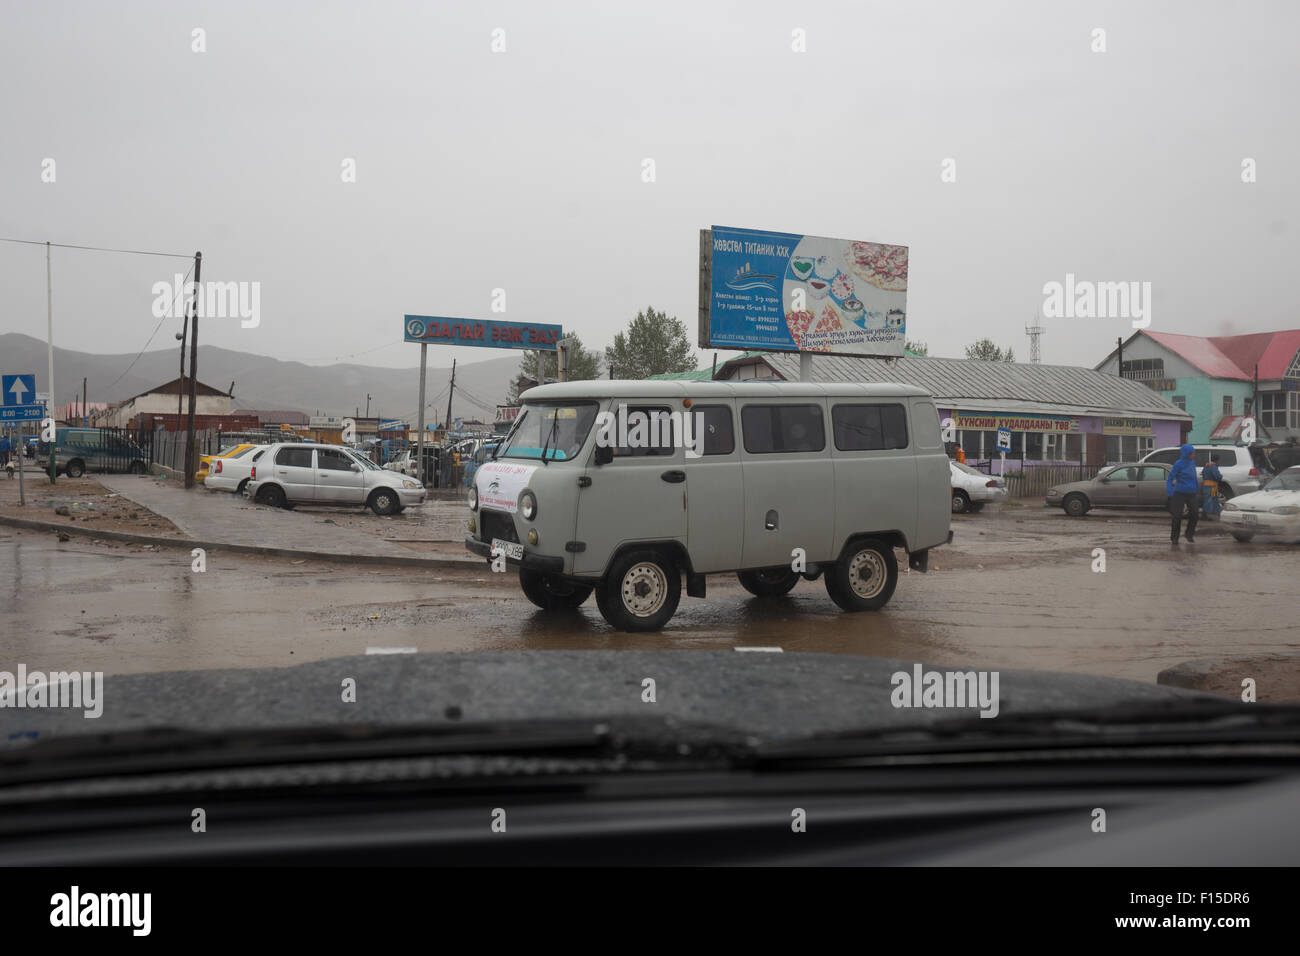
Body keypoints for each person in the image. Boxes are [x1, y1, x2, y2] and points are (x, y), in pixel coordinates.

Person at [1166, 443, 1200, 543]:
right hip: (1179, 492)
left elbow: (1194, 477)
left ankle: (1189, 534)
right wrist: (1170, 494)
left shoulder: (1192, 462)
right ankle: (1174, 537)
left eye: (1194, 452)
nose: (1194, 454)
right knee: (1177, 516)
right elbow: (1170, 479)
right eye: (1192, 453)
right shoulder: (1178, 464)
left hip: (1191, 493)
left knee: (1195, 514)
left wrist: (1196, 488)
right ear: (1186, 453)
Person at [1201, 454, 1224, 519]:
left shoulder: (1206, 466)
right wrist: (1221, 476)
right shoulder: (1213, 467)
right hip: (1212, 486)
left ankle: (1215, 513)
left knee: (1212, 499)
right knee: (1210, 500)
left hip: (1206, 485)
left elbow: (1203, 474)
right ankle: (1206, 515)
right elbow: (1217, 476)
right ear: (1217, 460)